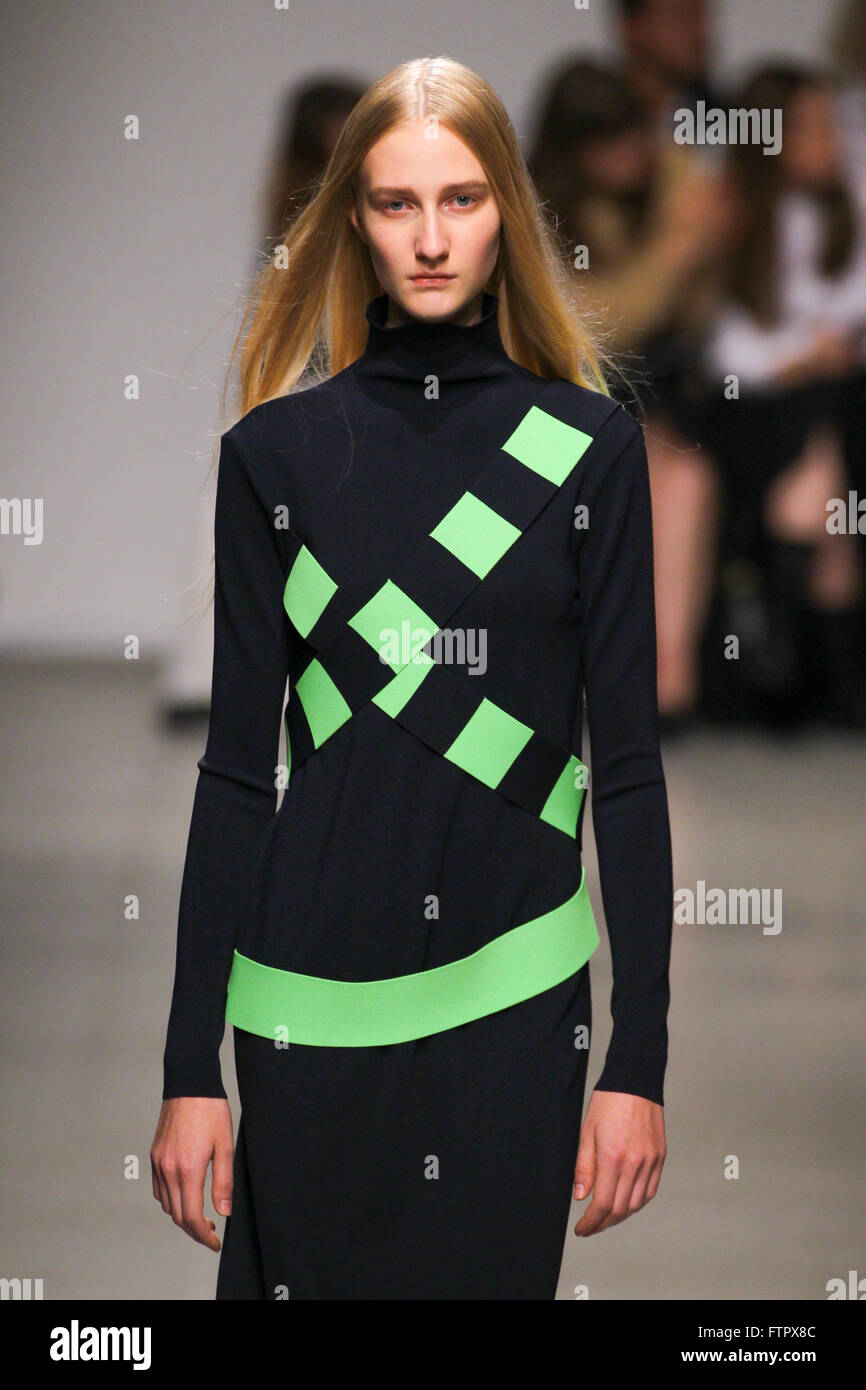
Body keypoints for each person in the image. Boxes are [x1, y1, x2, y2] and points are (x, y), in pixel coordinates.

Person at [151, 54, 673, 1301]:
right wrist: (188, 1067)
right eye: (396, 203)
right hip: (304, 1011)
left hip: (515, 997)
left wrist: (636, 1061)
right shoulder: (273, 458)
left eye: (463, 198)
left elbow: (630, 769)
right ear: (354, 224)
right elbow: (235, 776)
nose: (430, 238)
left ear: (509, 215)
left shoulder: (588, 454)